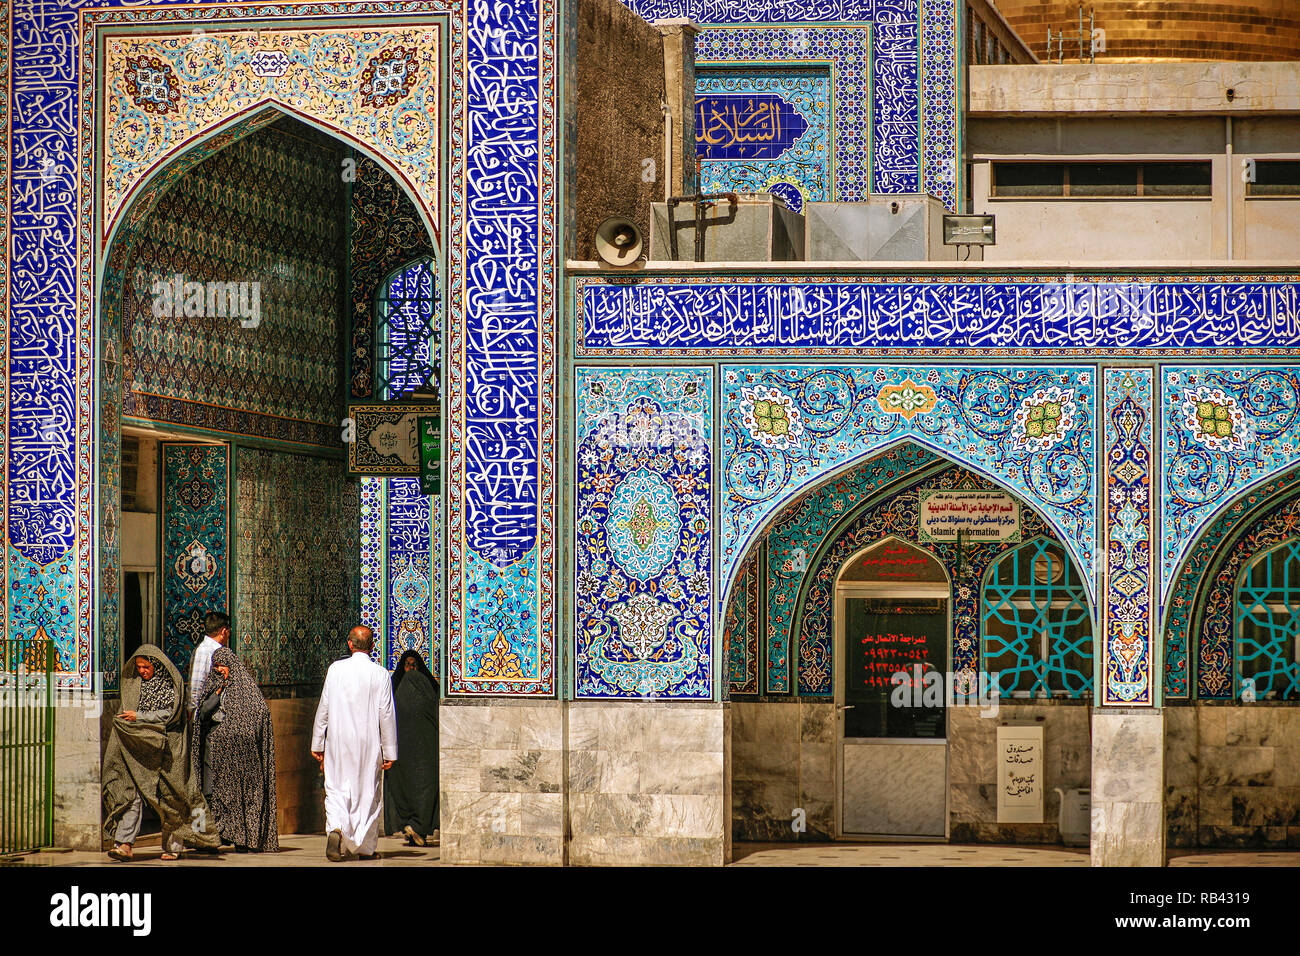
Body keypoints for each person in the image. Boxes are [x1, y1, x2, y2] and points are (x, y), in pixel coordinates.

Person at [102, 646, 219, 861]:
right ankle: (124, 844)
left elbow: (170, 714)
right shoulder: (135, 687)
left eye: (146, 667)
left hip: (169, 750)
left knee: (171, 797)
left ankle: (174, 845)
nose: (143, 671)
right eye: (139, 667)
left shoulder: (170, 686)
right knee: (132, 794)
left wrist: (140, 717)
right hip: (139, 750)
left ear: (157, 665)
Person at [312, 626, 397, 861]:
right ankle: (363, 847)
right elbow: (386, 714)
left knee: (337, 788)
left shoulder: (335, 670)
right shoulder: (380, 674)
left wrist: (318, 742)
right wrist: (390, 750)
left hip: (338, 741)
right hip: (368, 742)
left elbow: (324, 707)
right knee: (367, 792)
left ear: (350, 644)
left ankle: (336, 828)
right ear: (373, 645)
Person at [191, 646, 279, 853]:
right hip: (214, 753)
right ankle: (211, 839)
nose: (219, 670)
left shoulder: (247, 690)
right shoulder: (212, 687)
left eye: (223, 666)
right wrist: (217, 693)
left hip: (242, 760)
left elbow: (259, 714)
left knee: (241, 797)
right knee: (211, 793)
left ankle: (243, 839)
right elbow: (202, 713)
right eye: (216, 666)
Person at [383, 649, 440, 847]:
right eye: (407, 665)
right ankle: (415, 827)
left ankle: (417, 828)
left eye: (414, 665)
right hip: (406, 751)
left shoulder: (426, 687)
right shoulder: (394, 687)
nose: (411, 670)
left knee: (422, 787)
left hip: (420, 751)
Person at [189, 611, 230, 716]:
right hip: (208, 711)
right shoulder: (205, 650)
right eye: (229, 631)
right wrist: (194, 711)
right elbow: (197, 684)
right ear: (224, 631)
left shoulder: (214, 650)